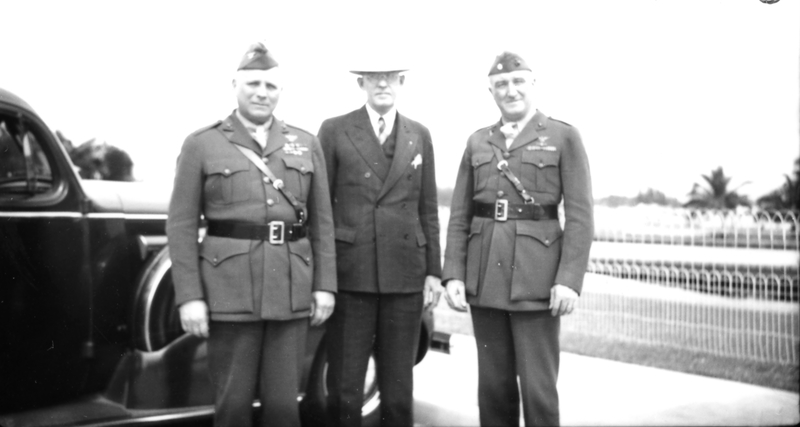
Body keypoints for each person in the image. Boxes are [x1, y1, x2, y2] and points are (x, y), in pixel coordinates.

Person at [166, 42, 336, 427]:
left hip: (291, 290)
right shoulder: (202, 144)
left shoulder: (305, 143)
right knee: (232, 406)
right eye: (253, 84)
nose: (262, 93)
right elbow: (180, 226)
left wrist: (325, 286)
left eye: (271, 86)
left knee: (284, 408)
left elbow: (322, 223)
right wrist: (189, 297)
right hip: (230, 292)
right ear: (234, 86)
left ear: (281, 91)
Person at [442, 51, 594, 426]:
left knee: (539, 392)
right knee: (493, 391)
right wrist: (454, 274)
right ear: (490, 92)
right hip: (485, 281)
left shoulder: (563, 136)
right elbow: (460, 215)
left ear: (533, 84)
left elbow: (580, 216)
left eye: (517, 82)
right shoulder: (478, 141)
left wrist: (568, 280)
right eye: (501, 85)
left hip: (536, 281)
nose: (510, 91)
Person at [317, 61, 442, 427]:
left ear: (401, 82)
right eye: (374, 77)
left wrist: (433, 272)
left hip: (405, 278)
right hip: (351, 275)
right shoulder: (335, 130)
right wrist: (324, 279)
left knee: (398, 392)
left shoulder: (419, 134)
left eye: (390, 77)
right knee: (345, 388)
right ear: (362, 83)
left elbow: (428, 209)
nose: (383, 84)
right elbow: (321, 210)